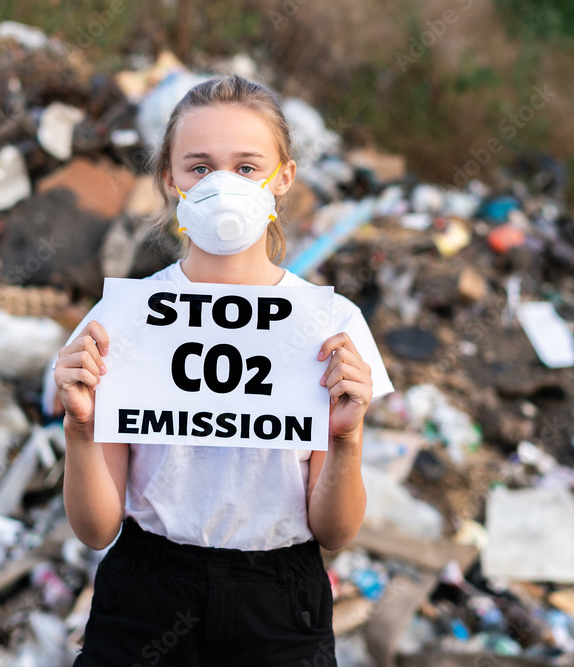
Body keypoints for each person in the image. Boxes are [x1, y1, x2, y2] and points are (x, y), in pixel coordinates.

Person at [49, 74, 394, 666]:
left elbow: (335, 533)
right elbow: (95, 529)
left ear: (283, 177)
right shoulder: (120, 320)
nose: (222, 186)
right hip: (145, 594)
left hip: (280, 604)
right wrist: (80, 429)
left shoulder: (329, 324)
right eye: (200, 167)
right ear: (170, 179)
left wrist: (346, 438)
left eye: (246, 167)